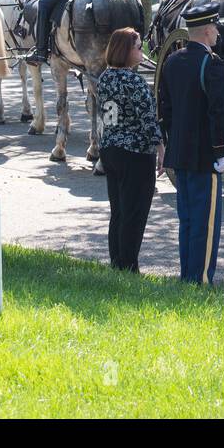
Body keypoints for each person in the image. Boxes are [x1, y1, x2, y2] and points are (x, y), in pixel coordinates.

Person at [157, 4, 224, 284]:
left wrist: (171, 143)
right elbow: (217, 111)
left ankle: (187, 273)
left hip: (180, 153)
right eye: (216, 28)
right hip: (204, 155)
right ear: (208, 29)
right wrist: (221, 151)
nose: (218, 33)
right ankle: (199, 278)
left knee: (187, 219)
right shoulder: (211, 63)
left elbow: (166, 108)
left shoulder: (173, 61)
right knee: (205, 222)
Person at [96, 27, 162, 272]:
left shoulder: (105, 78)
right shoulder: (133, 81)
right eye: (137, 47)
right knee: (135, 212)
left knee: (119, 211)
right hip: (135, 152)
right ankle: (129, 264)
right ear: (125, 51)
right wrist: (160, 146)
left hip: (110, 148)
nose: (141, 50)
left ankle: (117, 261)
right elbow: (147, 118)